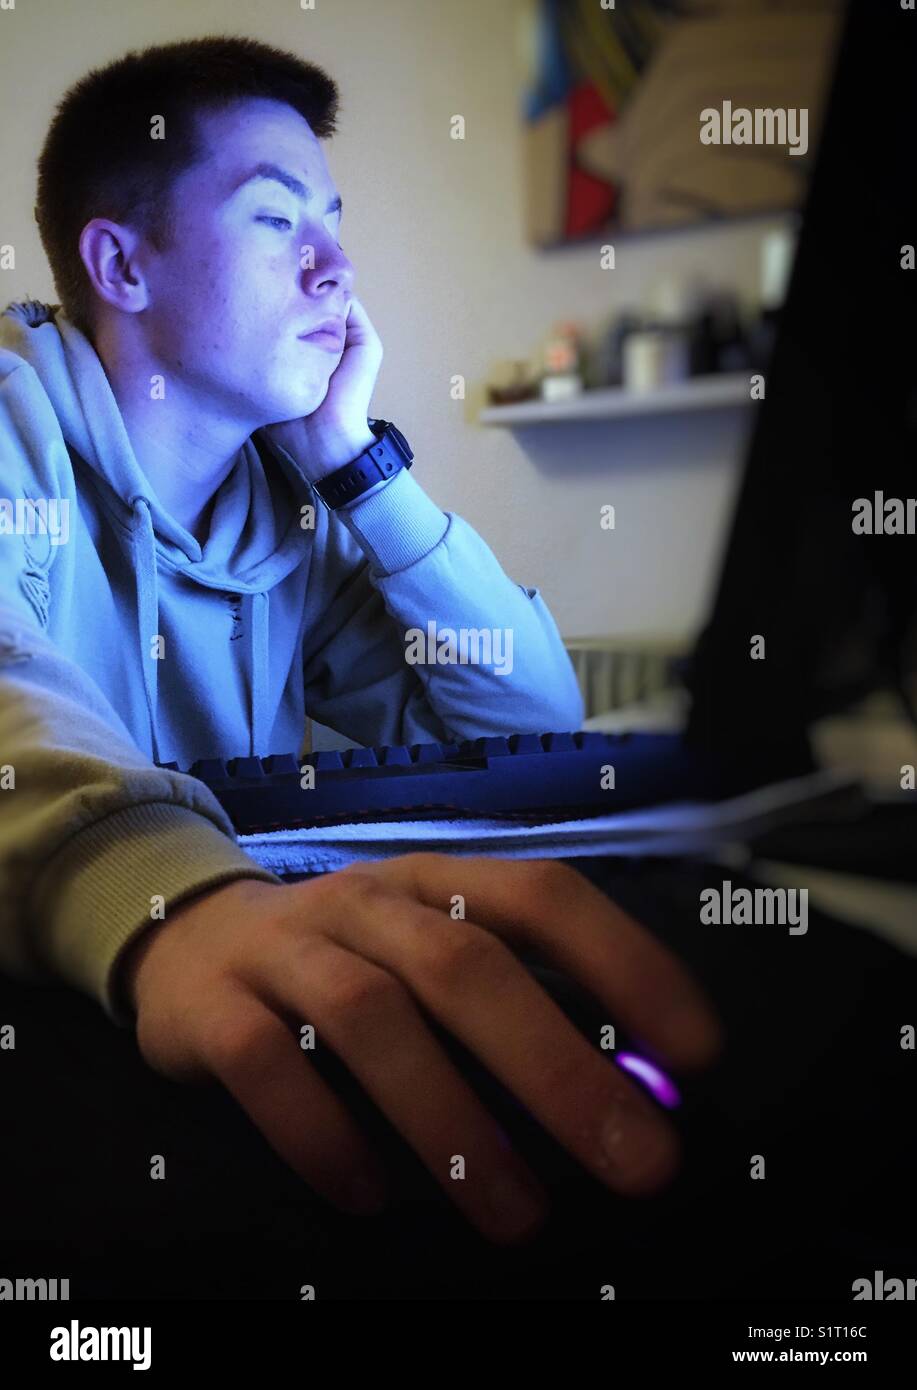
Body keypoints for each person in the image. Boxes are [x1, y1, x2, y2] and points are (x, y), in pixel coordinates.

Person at [0, 35, 722, 1251]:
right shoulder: (16, 427)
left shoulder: (286, 504)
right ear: (120, 263)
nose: (336, 266)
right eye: (278, 220)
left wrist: (359, 468)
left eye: (332, 220)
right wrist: (160, 892)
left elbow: (527, 724)